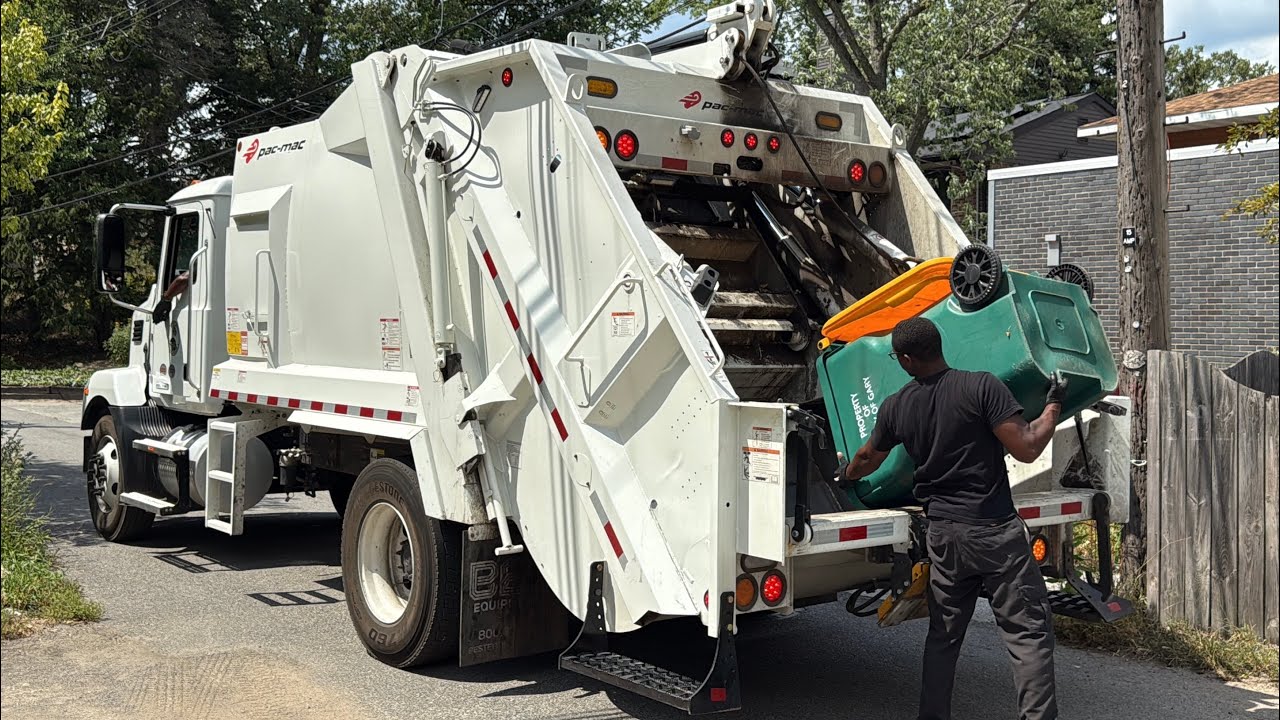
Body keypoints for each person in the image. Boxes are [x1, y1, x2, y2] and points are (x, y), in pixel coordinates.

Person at [835, 316, 1067, 720]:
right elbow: (1028, 447)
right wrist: (1054, 403)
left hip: (944, 538)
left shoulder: (897, 406)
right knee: (1027, 635)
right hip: (995, 534)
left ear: (906, 359)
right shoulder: (981, 387)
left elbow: (867, 457)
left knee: (943, 638)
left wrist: (846, 477)